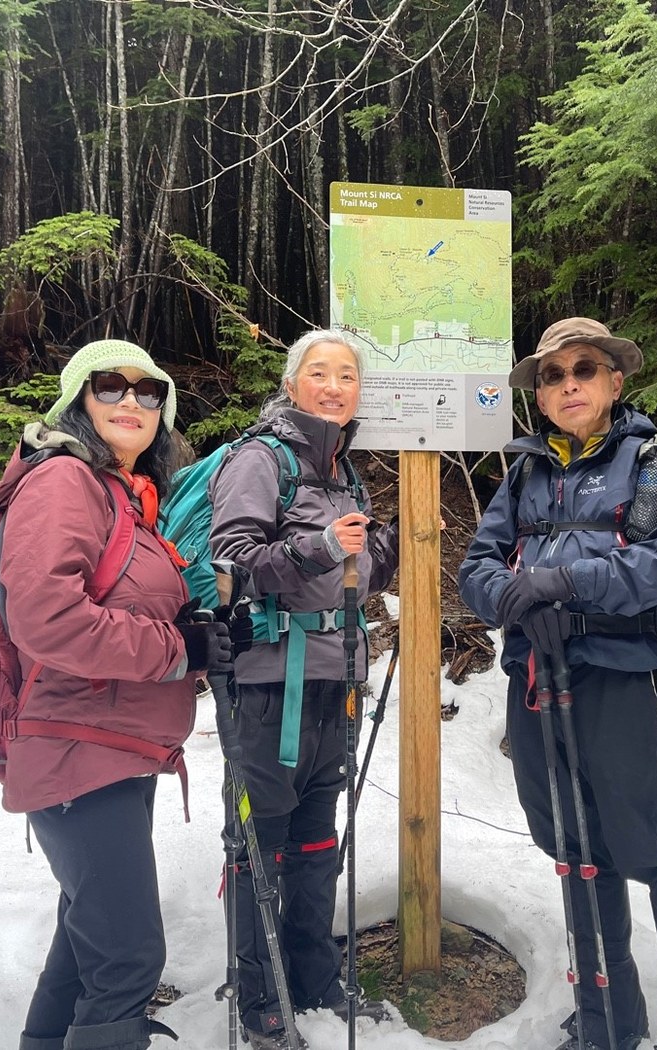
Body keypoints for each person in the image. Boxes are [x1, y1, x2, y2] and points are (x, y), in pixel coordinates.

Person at [458, 317, 657, 1050]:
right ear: (539, 396)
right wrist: (513, 597)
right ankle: (608, 1020)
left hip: (620, 675)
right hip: (535, 677)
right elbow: (477, 569)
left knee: (651, 845)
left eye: (584, 369)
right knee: (573, 845)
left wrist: (559, 582)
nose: (568, 384)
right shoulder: (523, 474)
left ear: (616, 380)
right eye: (552, 375)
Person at [0, 339, 233, 1050]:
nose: (132, 401)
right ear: (77, 400)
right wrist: (176, 650)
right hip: (76, 749)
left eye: (148, 391)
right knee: (126, 954)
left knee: (87, 940)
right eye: (110, 386)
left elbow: (115, 602)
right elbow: (47, 618)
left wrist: (194, 628)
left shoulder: (122, 496)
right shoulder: (63, 482)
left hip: (109, 747)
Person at [207, 328, 400, 1050]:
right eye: (318, 373)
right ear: (292, 387)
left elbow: (357, 579)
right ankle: (259, 992)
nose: (333, 385)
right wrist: (320, 546)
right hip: (269, 685)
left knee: (319, 840)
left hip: (335, 678)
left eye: (346, 375)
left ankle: (313, 974)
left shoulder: (343, 471)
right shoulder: (262, 458)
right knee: (259, 839)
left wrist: (387, 546)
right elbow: (233, 565)